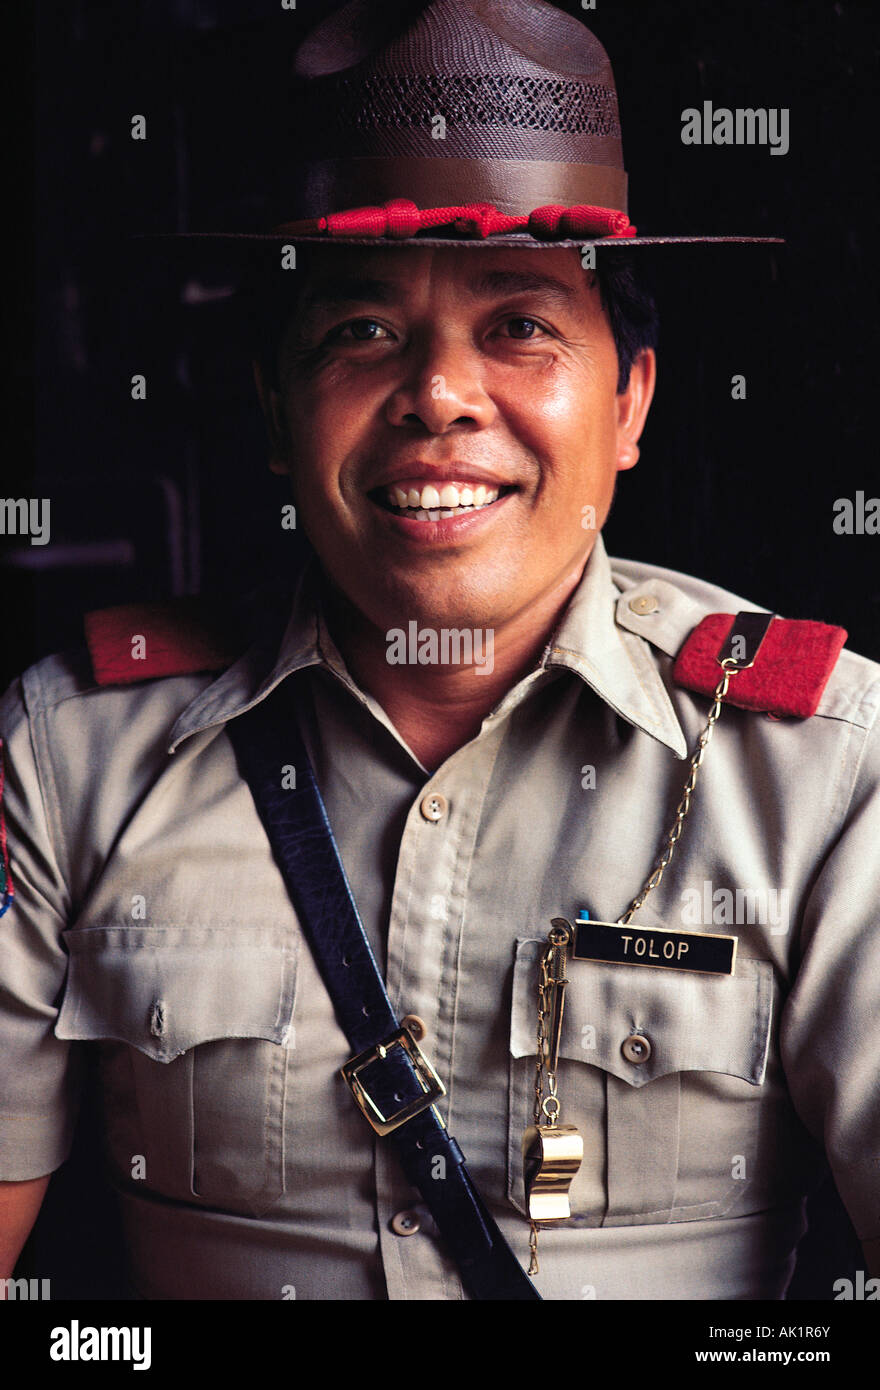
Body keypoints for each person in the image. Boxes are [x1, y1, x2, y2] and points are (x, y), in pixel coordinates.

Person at [1, 0, 878, 1302]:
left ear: (631, 399)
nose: (441, 395)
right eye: (361, 331)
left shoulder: (820, 768)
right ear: (275, 404)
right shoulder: (76, 755)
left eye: (521, 324)